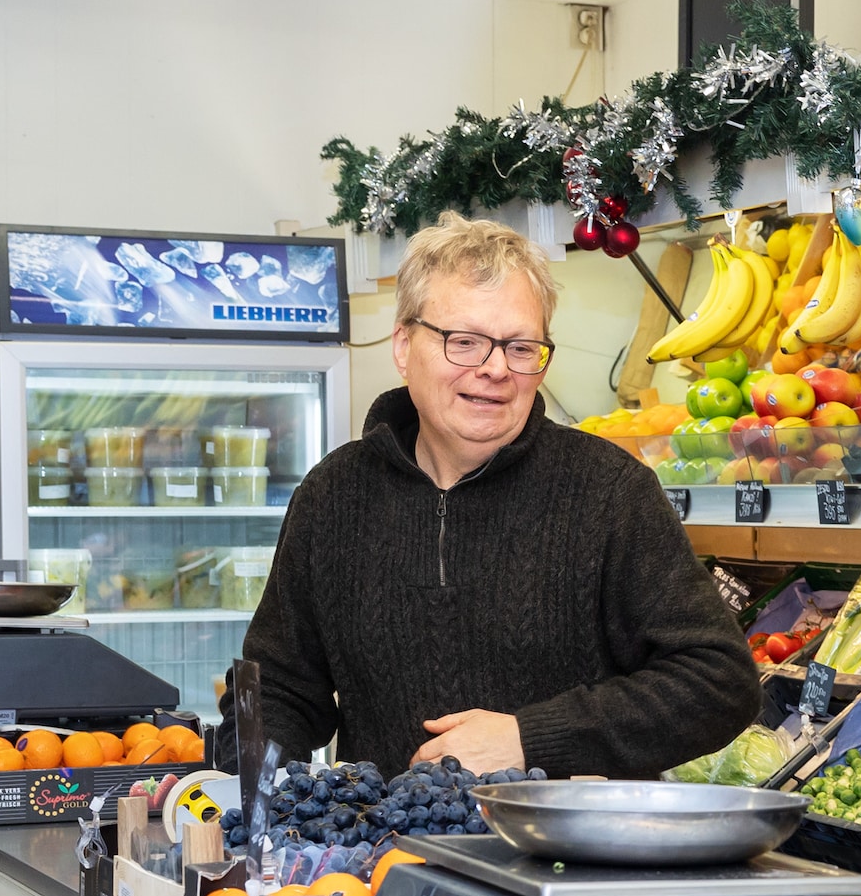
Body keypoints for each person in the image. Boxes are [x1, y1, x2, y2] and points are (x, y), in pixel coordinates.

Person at [237, 213, 760, 778]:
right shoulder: (333, 496)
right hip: (386, 856)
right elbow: (281, 692)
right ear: (404, 346)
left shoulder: (610, 491)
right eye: (463, 342)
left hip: (564, 858)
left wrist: (529, 739)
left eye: (519, 347)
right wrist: (248, 793)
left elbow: (718, 681)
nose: (494, 370)